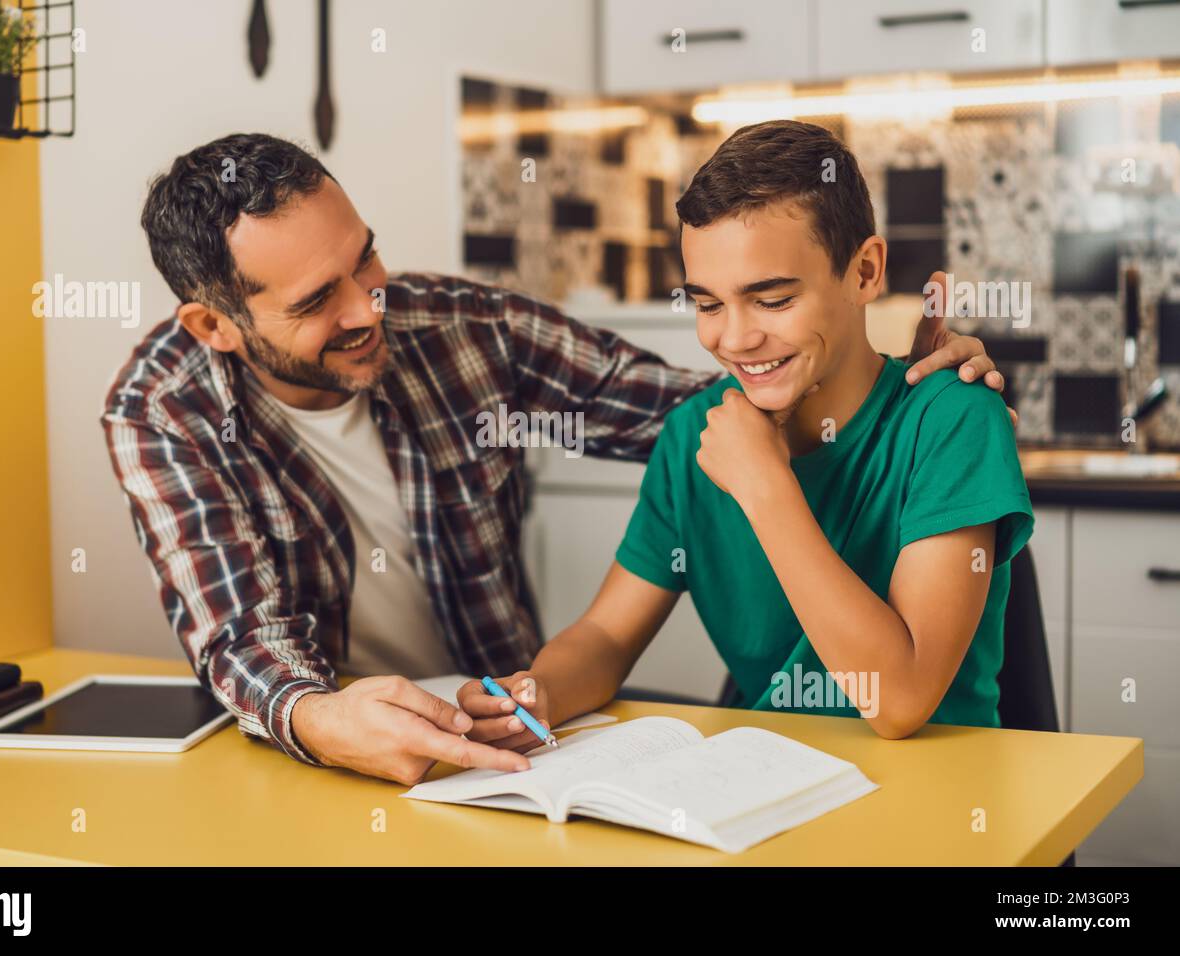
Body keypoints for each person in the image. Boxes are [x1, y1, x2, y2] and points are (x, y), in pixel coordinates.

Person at [104, 131, 1009, 784]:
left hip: (511, 734)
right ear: (214, 325)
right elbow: (238, 636)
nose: (368, 308)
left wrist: (907, 367)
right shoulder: (160, 411)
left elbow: (727, 399)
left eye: (365, 261)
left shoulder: (468, 328)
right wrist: (326, 716)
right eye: (314, 303)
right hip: (346, 746)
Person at [460, 120, 1032, 750]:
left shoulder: (953, 419)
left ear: (865, 271)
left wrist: (764, 483)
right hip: (765, 789)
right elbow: (607, 636)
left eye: (774, 300)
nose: (733, 339)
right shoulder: (692, 437)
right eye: (708, 305)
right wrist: (535, 695)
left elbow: (898, 701)